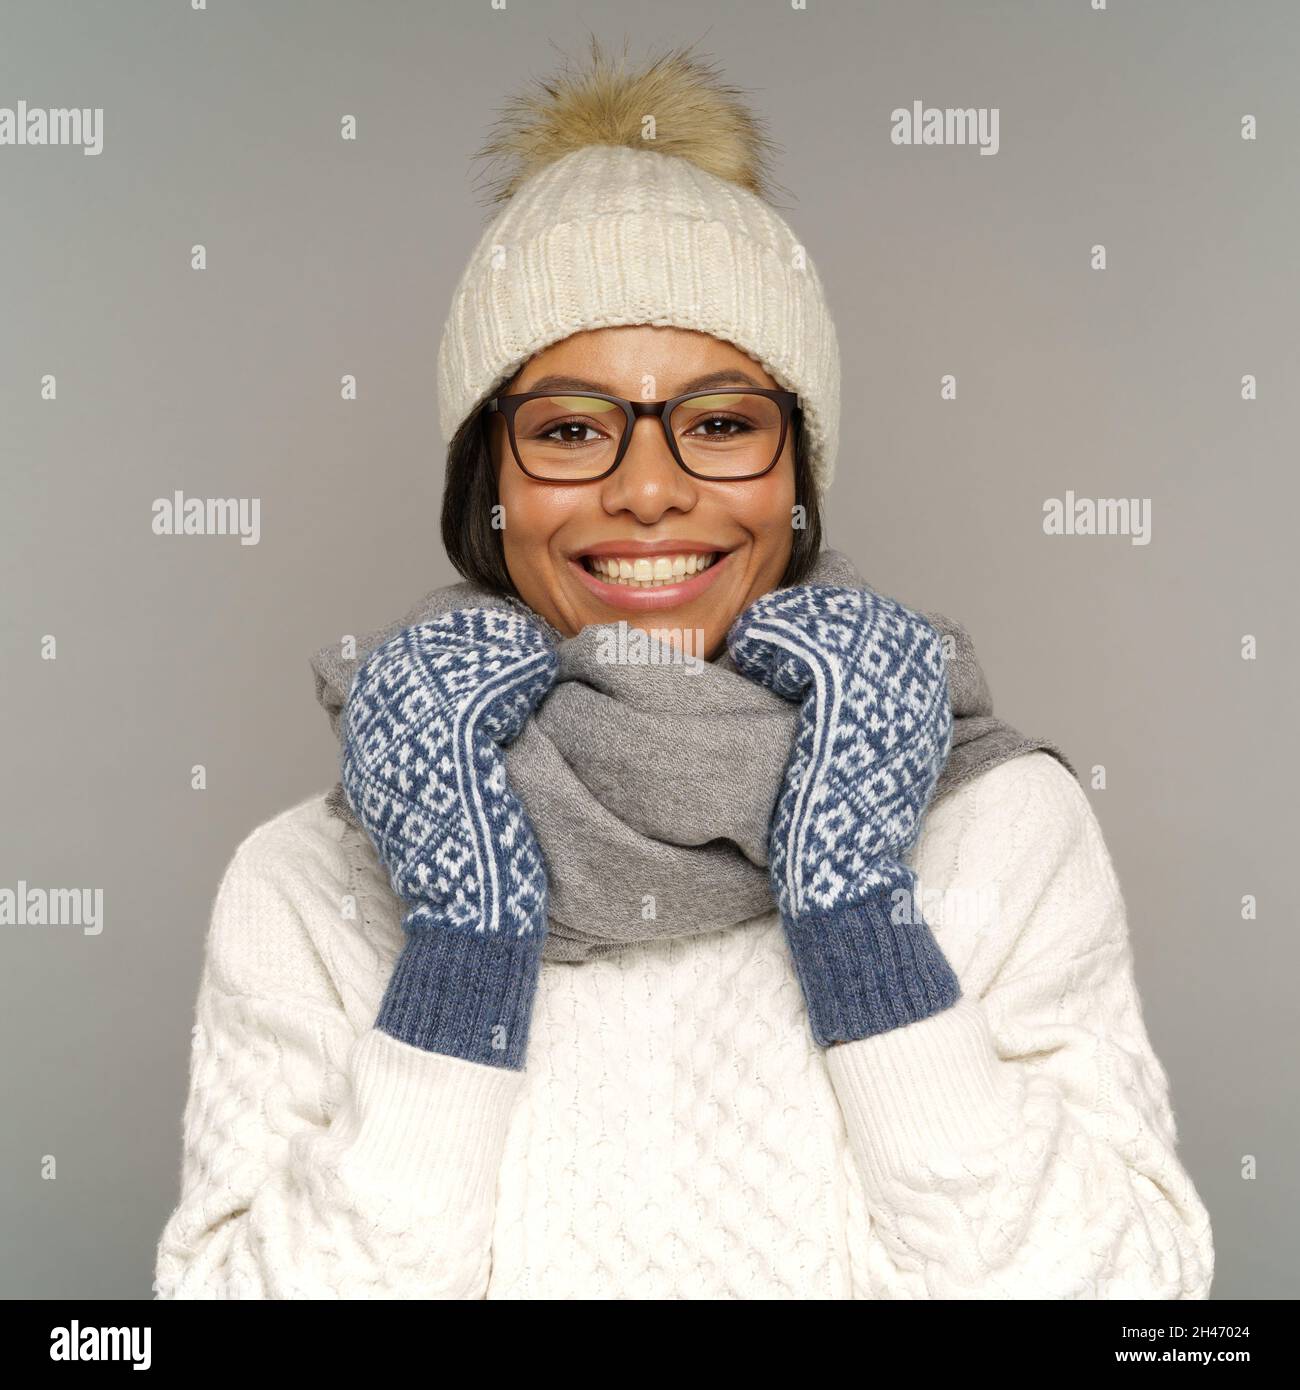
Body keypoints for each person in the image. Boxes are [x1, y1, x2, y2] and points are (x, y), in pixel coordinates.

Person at [153, 38, 1214, 1299]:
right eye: (567, 430)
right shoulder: (308, 883)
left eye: (718, 422)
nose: (647, 489)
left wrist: (861, 920)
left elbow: (1134, 1305)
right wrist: (460, 953)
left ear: (795, 476)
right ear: (486, 485)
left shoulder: (997, 832)